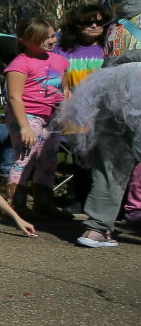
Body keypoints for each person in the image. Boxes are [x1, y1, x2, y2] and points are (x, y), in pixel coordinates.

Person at [55, 61, 140, 248]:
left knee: (110, 161)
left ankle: (97, 228)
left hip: (113, 80)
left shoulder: (114, 29)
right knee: (111, 160)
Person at [4, 19, 68, 220]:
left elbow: (64, 89)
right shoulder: (20, 63)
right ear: (24, 41)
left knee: (48, 159)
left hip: (52, 116)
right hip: (27, 115)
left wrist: (68, 109)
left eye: (52, 35)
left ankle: (43, 202)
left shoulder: (59, 61)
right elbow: (15, 96)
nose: (51, 41)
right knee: (25, 158)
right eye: (44, 38)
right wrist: (24, 127)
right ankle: (15, 205)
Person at [57, 3, 111, 93]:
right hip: (69, 104)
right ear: (76, 25)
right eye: (88, 23)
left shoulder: (110, 49)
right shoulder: (60, 51)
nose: (94, 26)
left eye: (99, 23)